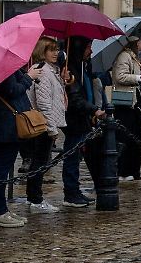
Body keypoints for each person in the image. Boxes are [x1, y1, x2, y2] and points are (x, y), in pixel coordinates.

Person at [0, 64, 42, 227]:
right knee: (0, 169)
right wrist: (28, 77)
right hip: (5, 125)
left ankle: (0, 208)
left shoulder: (11, 67)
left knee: (2, 167)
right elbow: (12, 90)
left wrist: (26, 75)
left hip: (8, 125)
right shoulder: (3, 67)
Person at [23, 37, 66, 214]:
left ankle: (33, 197)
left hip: (46, 123)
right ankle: (35, 198)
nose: (56, 53)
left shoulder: (51, 70)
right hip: (42, 124)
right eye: (51, 50)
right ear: (43, 51)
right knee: (39, 161)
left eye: (57, 49)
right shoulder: (41, 71)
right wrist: (52, 128)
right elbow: (43, 103)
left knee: (40, 160)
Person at [61, 38, 101, 207]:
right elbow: (75, 98)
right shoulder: (71, 69)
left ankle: (75, 190)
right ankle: (71, 193)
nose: (90, 51)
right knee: (72, 155)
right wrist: (93, 109)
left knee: (77, 156)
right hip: (75, 119)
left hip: (83, 118)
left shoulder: (84, 66)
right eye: (88, 47)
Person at [111, 37, 141, 182]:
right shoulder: (124, 56)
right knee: (126, 136)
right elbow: (120, 76)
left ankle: (133, 169)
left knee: (135, 136)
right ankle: (124, 170)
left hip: (135, 102)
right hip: (125, 103)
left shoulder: (134, 57)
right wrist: (139, 77)